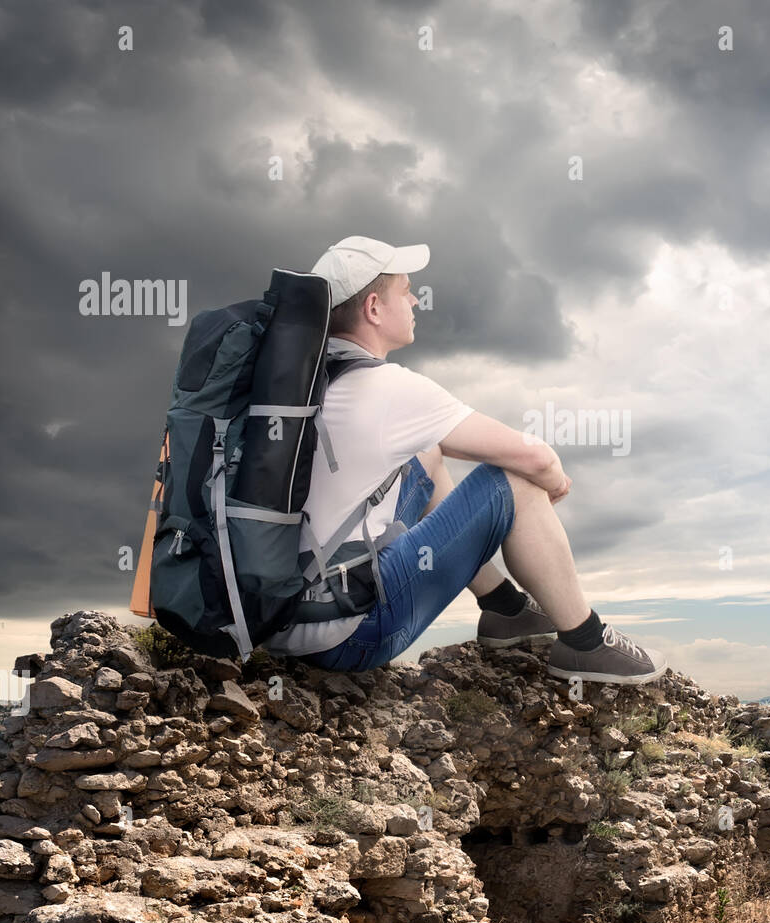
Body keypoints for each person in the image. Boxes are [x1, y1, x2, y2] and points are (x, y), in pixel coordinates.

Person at [262, 235, 667, 684]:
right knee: (514, 481)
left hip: (287, 619)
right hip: (354, 634)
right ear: (374, 309)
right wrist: (550, 482)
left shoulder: (301, 387)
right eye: (405, 290)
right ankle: (586, 643)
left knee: (428, 453)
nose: (416, 299)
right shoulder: (389, 388)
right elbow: (533, 457)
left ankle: (506, 609)